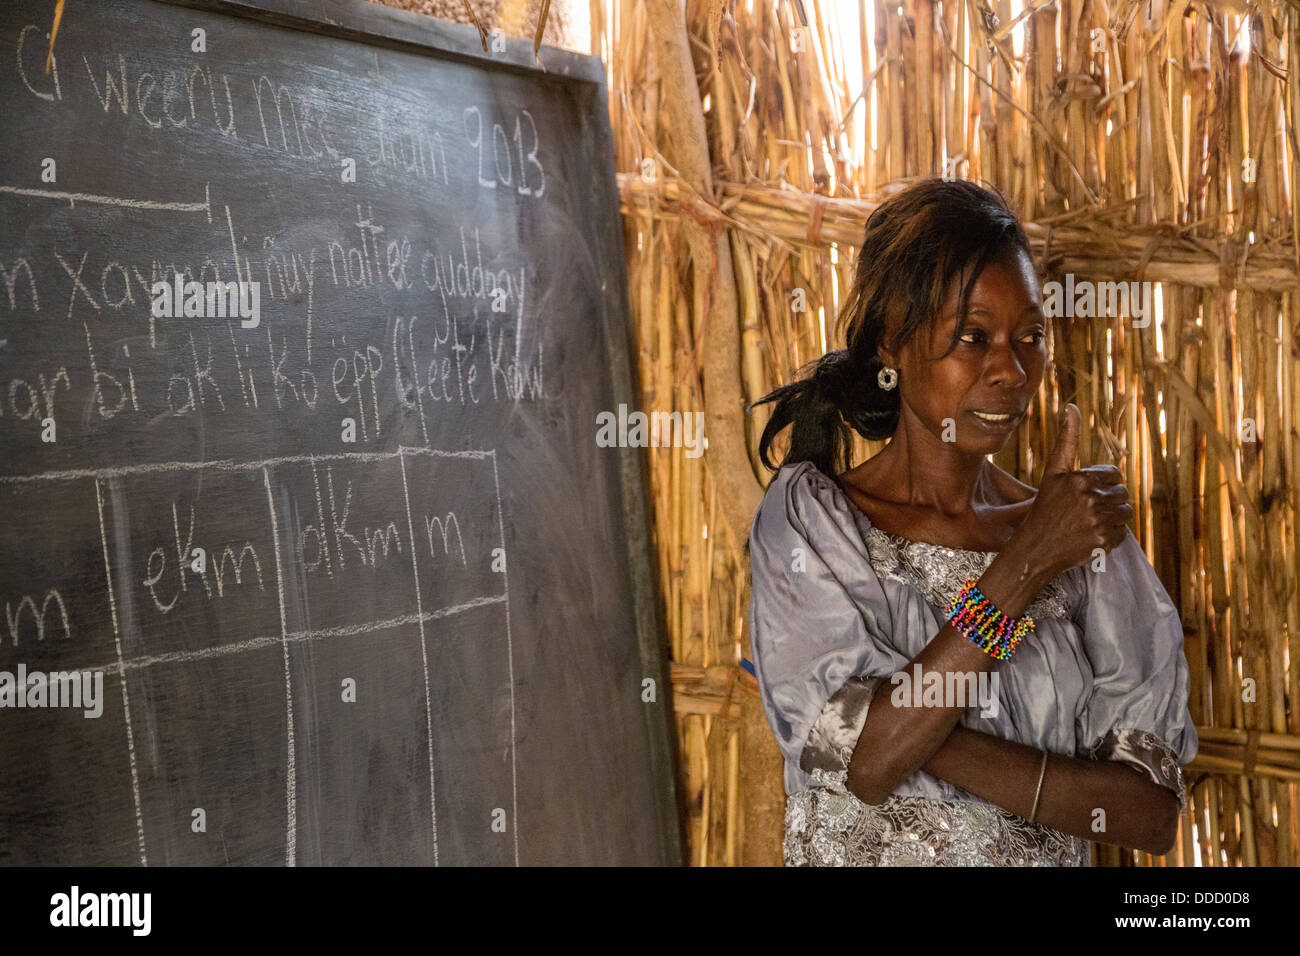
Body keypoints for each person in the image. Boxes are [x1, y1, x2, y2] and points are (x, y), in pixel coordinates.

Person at [745, 178, 1197, 866]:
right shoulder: (814, 522)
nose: (1011, 371)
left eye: (1030, 339)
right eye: (973, 337)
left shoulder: (1074, 531)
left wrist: (915, 731)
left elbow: (1148, 812)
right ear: (893, 341)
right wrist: (1023, 569)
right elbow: (869, 766)